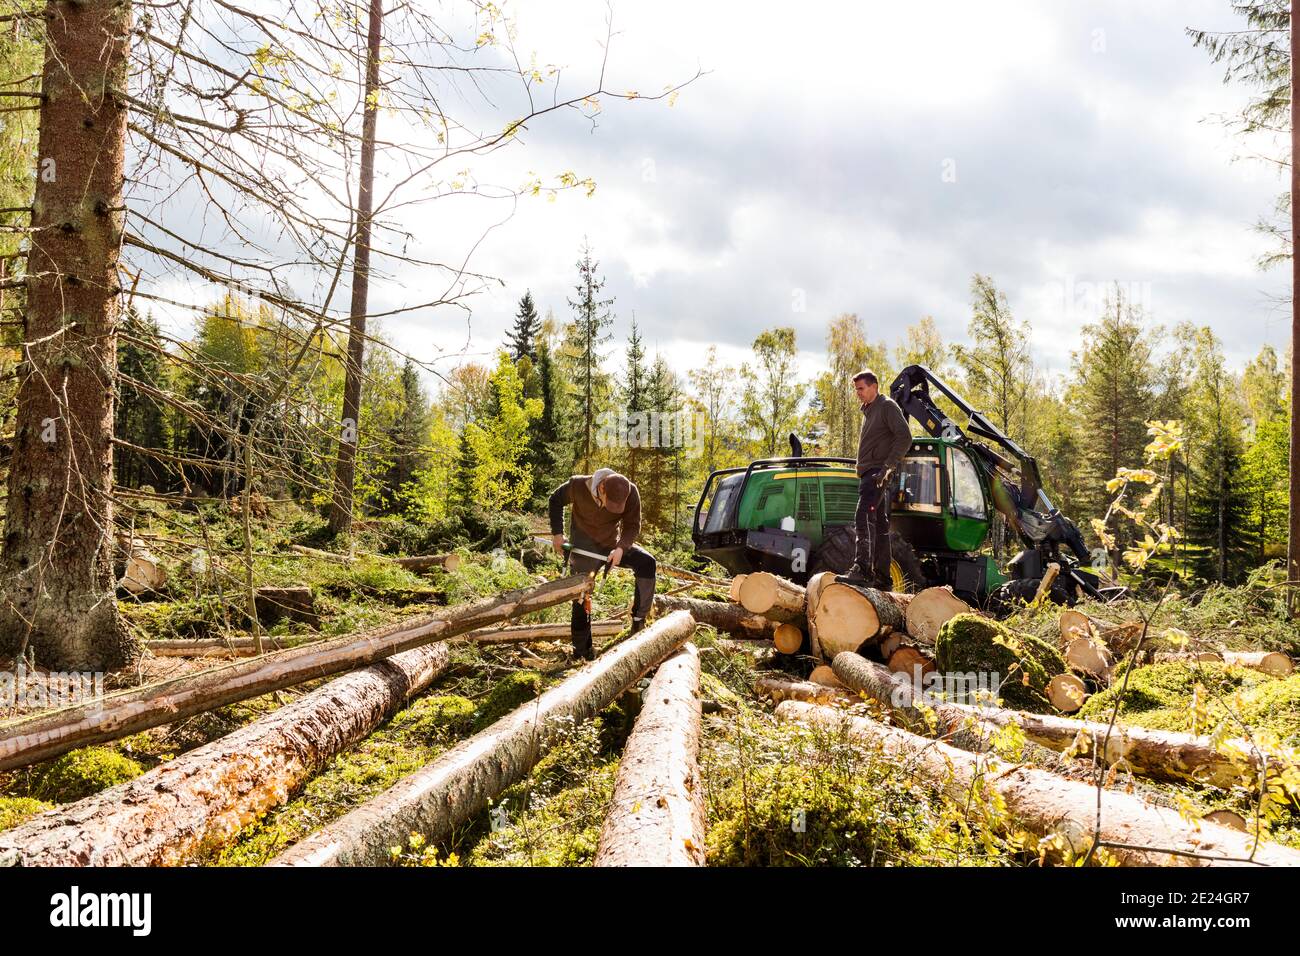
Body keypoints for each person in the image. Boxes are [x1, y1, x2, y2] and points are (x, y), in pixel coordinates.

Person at [548, 468, 657, 660]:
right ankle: (582, 653)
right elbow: (555, 500)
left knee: (647, 563)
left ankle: (638, 624)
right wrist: (557, 534)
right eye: (611, 504)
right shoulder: (578, 486)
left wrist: (621, 548)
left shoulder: (631, 492)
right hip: (583, 548)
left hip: (611, 547)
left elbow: (632, 525)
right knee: (581, 596)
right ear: (602, 488)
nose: (613, 508)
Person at [842, 370, 912, 588]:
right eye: (856, 390)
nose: (858, 394)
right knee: (881, 526)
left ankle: (861, 569)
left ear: (874, 386)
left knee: (862, 517)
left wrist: (887, 467)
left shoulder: (887, 406)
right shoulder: (870, 411)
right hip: (870, 473)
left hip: (876, 474)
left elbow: (905, 436)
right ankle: (883, 578)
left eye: (861, 388)